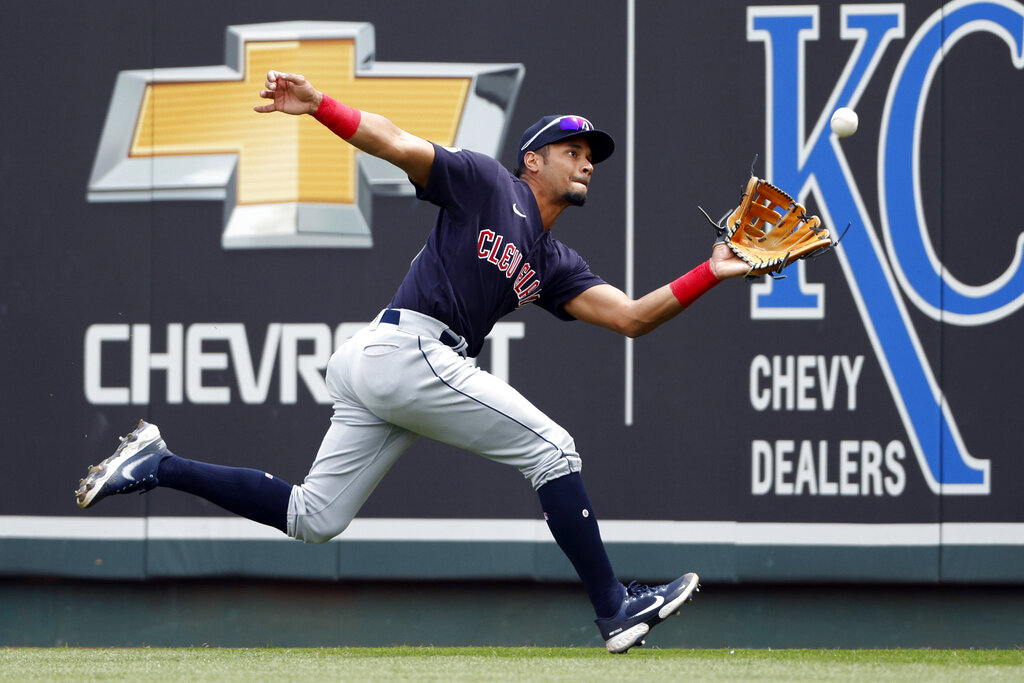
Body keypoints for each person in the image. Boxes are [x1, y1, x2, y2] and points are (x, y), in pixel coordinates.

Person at [76, 70, 750, 653]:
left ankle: (156, 462)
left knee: (316, 518)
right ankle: (614, 607)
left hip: (395, 363)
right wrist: (323, 107)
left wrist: (713, 271)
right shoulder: (490, 184)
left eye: (590, 156)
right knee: (553, 449)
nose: (585, 162)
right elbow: (396, 144)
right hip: (409, 348)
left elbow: (632, 317)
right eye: (570, 150)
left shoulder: (550, 260)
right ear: (533, 161)